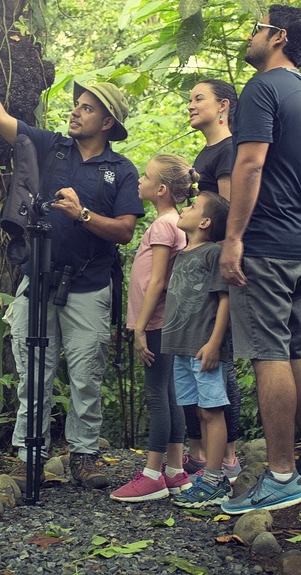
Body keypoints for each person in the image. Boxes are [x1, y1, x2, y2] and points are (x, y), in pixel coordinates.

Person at [0, 39, 143, 491]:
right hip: (37, 281)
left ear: (107, 122)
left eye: (88, 108)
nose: (76, 111)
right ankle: (29, 456)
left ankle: (84, 455)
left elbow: (126, 230)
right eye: (76, 104)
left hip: (90, 287)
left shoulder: (122, 169)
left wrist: (83, 215)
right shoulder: (49, 147)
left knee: (86, 375)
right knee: (33, 372)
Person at [219, 5, 301, 515]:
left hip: (264, 245)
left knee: (269, 352)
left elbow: (250, 162)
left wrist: (233, 239)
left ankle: (282, 475)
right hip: (300, 245)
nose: (250, 36)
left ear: (279, 37)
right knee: (298, 347)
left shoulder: (261, 90)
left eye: (256, 28)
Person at [109, 155, 191, 502]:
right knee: (170, 394)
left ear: (160, 189)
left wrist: (140, 328)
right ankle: (175, 469)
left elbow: (158, 280)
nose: (139, 181)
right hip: (168, 321)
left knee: (157, 396)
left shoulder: (161, 226)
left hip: (155, 322)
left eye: (145, 177)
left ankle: (152, 474)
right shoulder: (178, 222)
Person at [182, 79, 244, 484]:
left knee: (220, 362)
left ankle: (231, 455)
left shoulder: (228, 150)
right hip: (200, 269)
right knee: (201, 359)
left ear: (222, 106)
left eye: (197, 98)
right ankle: (203, 452)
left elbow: (225, 213)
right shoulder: (206, 152)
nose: (190, 105)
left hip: (217, 270)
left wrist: (222, 268)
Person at [158, 190, 234, 507]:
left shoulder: (213, 254)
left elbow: (225, 299)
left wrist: (215, 343)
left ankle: (217, 481)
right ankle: (207, 476)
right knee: (200, 411)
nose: (185, 208)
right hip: (182, 348)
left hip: (204, 347)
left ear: (204, 222)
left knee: (212, 411)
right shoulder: (185, 253)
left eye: (191, 206)